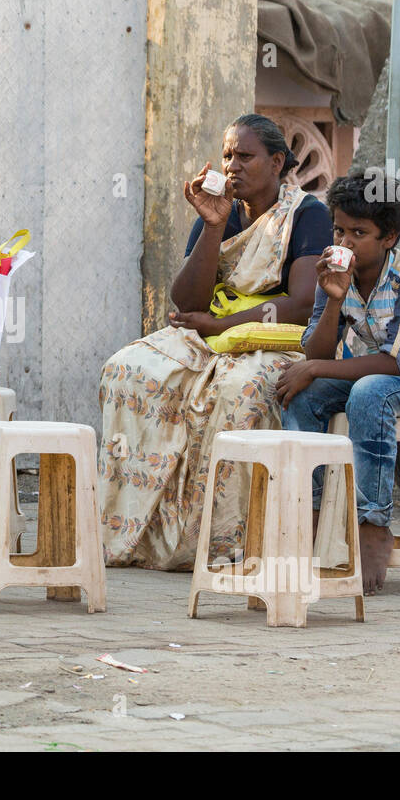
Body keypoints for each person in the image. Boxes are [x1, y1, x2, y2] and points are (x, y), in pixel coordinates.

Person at [99, 114, 332, 570]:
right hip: (213, 332)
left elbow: (304, 303)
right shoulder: (220, 211)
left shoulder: (307, 215)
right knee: (126, 372)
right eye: (227, 155)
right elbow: (186, 298)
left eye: (245, 156)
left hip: (274, 340)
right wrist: (210, 226)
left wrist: (222, 328)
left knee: (236, 392)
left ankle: (222, 543)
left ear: (277, 161)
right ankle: (139, 531)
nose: (232, 166)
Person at [277, 173, 400, 594]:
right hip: (385, 375)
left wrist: (314, 368)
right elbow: (317, 353)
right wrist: (333, 298)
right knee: (302, 393)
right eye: (338, 230)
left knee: (368, 392)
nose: (345, 242)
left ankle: (372, 522)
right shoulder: (332, 273)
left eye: (359, 233)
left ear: (389, 237)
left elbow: (393, 364)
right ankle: (305, 516)